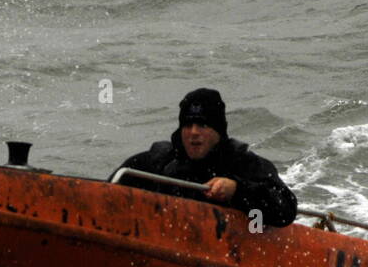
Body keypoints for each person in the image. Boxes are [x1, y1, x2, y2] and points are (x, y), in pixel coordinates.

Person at [111, 88, 298, 227]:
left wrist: (237, 190)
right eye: (187, 125)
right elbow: (109, 192)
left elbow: (286, 210)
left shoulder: (244, 163)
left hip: (232, 253)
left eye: (202, 125)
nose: (193, 132)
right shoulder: (158, 160)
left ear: (218, 131)